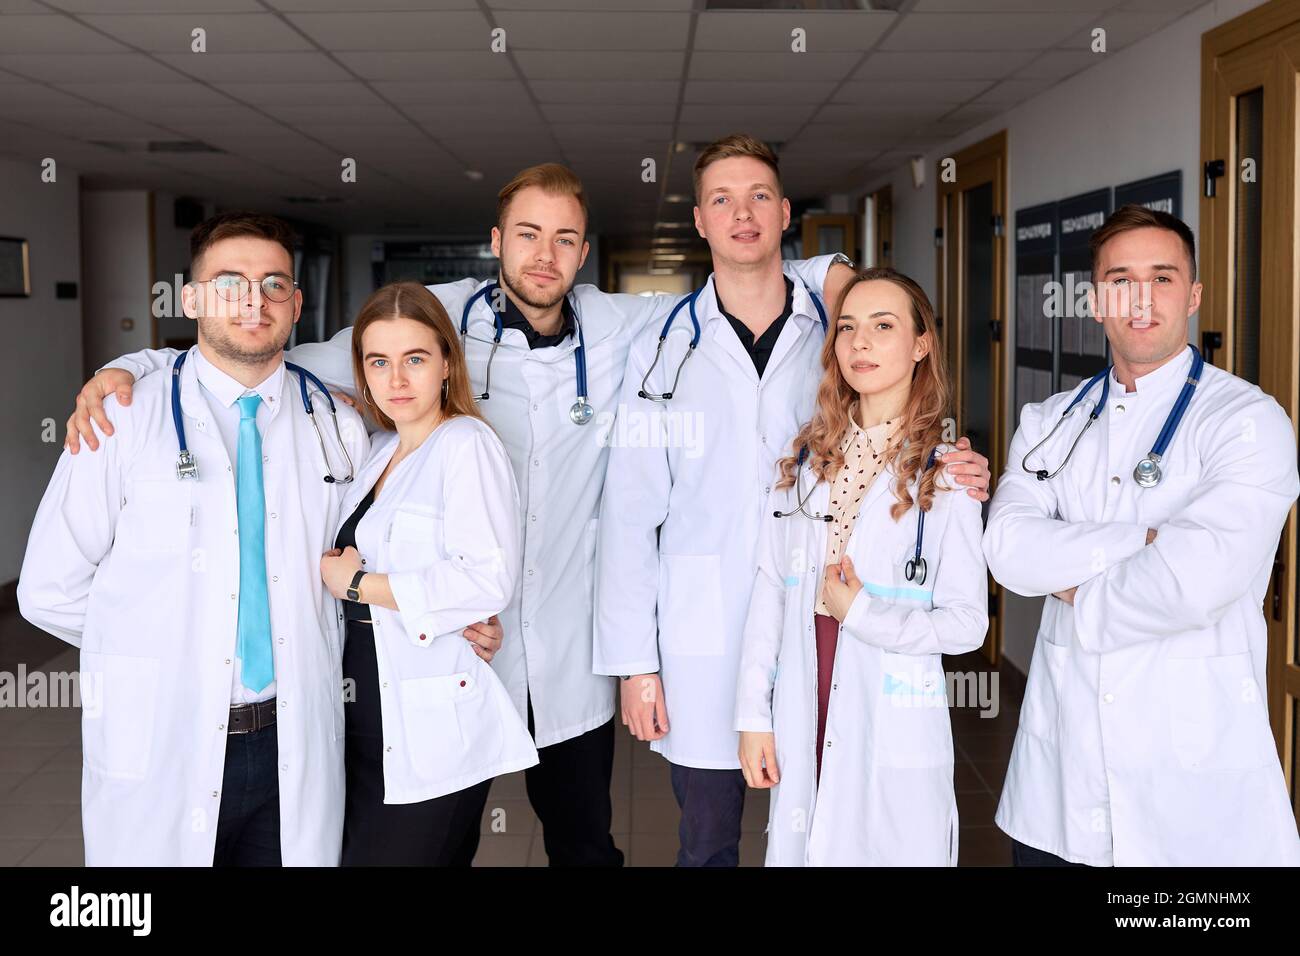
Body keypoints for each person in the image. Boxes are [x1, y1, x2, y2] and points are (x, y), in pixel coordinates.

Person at [63, 157, 848, 866]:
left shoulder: (626, 325)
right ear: (497, 240)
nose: (547, 256)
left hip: (567, 650)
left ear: (583, 251)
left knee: (584, 843)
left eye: (567, 239)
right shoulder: (431, 320)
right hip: (453, 651)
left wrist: (839, 273)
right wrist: (132, 366)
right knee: (441, 841)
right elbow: (264, 354)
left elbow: (754, 272)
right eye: (530, 235)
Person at [595, 135, 994, 867]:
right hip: (707, 638)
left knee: (835, 832)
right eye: (722, 199)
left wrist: (952, 458)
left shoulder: (833, 322)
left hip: (826, 631)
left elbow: (894, 399)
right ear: (700, 220)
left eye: (757, 198)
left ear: (784, 214)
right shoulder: (659, 348)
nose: (741, 214)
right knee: (708, 840)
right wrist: (634, 663)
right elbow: (627, 513)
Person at [17, 212, 369, 865]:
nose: (252, 303)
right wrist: (160, 656)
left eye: (273, 285)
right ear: (191, 298)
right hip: (164, 740)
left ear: (295, 303)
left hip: (294, 740)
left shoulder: (334, 422)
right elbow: (46, 590)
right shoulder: (121, 417)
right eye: (229, 283)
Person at [983, 204, 1300, 866]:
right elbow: (1007, 550)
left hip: (1191, 789)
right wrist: (1145, 540)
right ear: (1095, 300)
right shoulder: (1048, 419)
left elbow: (1194, 581)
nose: (1141, 299)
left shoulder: (1247, 421)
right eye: (1120, 279)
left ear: (1193, 295)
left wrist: (1073, 578)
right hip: (1059, 787)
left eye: (1162, 277)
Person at [736, 268, 988, 866]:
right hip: (807, 676)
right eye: (847, 328)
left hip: (887, 688)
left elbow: (967, 624)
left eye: (883, 326)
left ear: (921, 344)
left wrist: (865, 614)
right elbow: (771, 586)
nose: (860, 344)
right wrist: (753, 715)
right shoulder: (805, 458)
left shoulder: (948, 471)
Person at [319, 282, 537, 866]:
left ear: (446, 362)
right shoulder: (375, 452)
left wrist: (361, 585)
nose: (397, 380)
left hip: (431, 728)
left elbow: (487, 580)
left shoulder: (466, 443)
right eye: (379, 362)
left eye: (415, 359)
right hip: (362, 717)